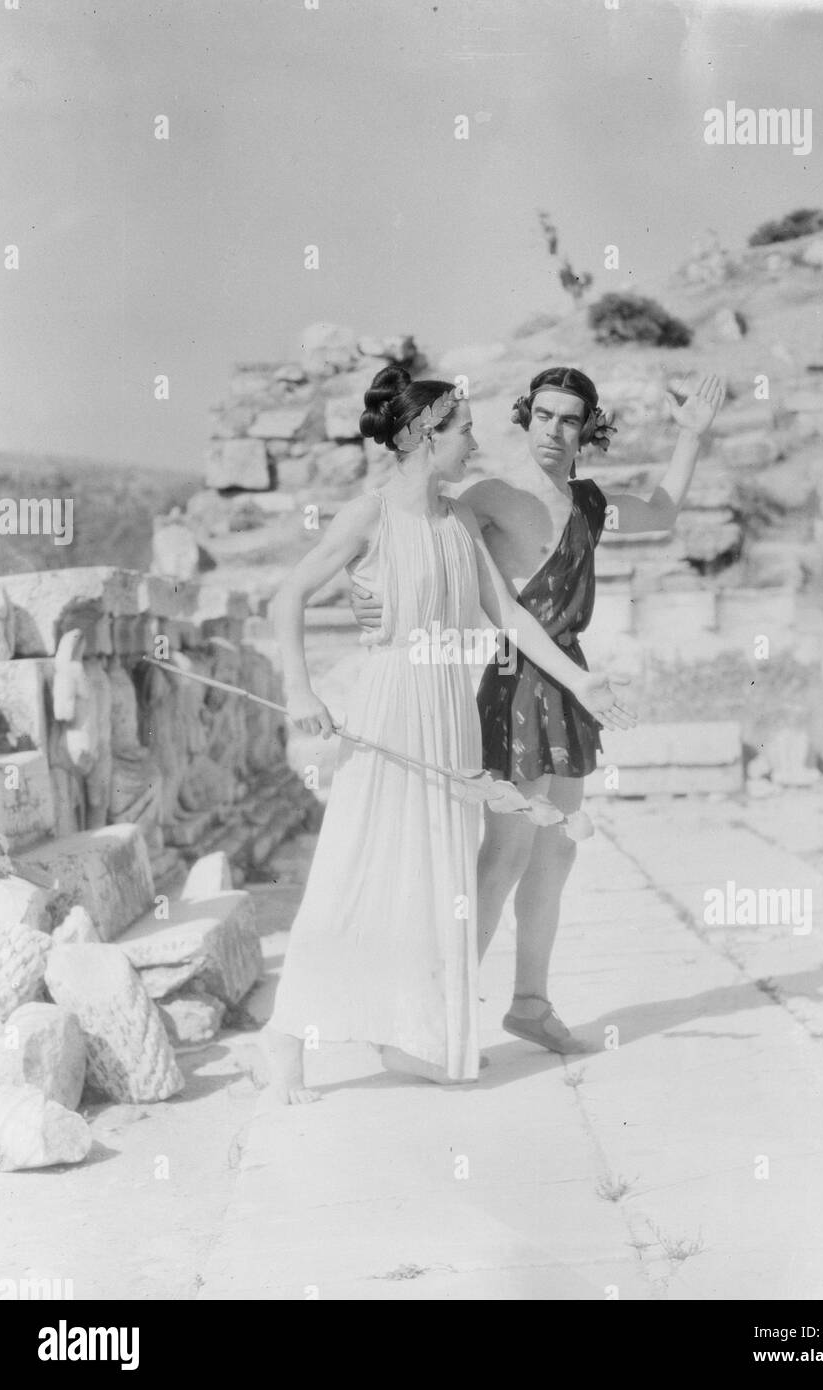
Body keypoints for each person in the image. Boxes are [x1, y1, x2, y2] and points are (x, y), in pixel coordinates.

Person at [264, 365, 634, 1103]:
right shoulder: (367, 516)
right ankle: (281, 1046)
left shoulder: (460, 520)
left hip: (448, 709)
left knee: (433, 880)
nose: (474, 442)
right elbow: (288, 596)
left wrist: (581, 679)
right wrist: (298, 690)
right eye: (463, 429)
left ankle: (412, 1037)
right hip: (389, 700)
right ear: (421, 435)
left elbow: (512, 616)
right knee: (355, 869)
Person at [352, 366, 725, 1053]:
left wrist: (691, 437)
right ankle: (434, 1015)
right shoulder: (492, 494)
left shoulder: (589, 501)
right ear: (526, 419)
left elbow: (665, 511)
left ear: (589, 429)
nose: (554, 431)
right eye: (544, 415)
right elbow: (416, 527)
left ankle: (529, 1003)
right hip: (515, 678)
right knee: (506, 852)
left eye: (570, 419)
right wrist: (363, 586)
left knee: (555, 854)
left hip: (571, 681)